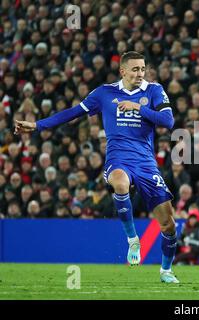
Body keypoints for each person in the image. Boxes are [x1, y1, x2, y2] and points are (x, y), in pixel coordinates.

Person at [14, 51, 180, 284]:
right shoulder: (104, 93)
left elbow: (168, 122)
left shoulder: (154, 90)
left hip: (145, 161)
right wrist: (37, 125)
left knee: (168, 224)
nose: (140, 74)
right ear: (122, 71)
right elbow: (73, 113)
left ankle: (166, 271)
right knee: (120, 183)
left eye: (142, 69)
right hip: (118, 156)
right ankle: (133, 239)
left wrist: (138, 108)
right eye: (135, 69)